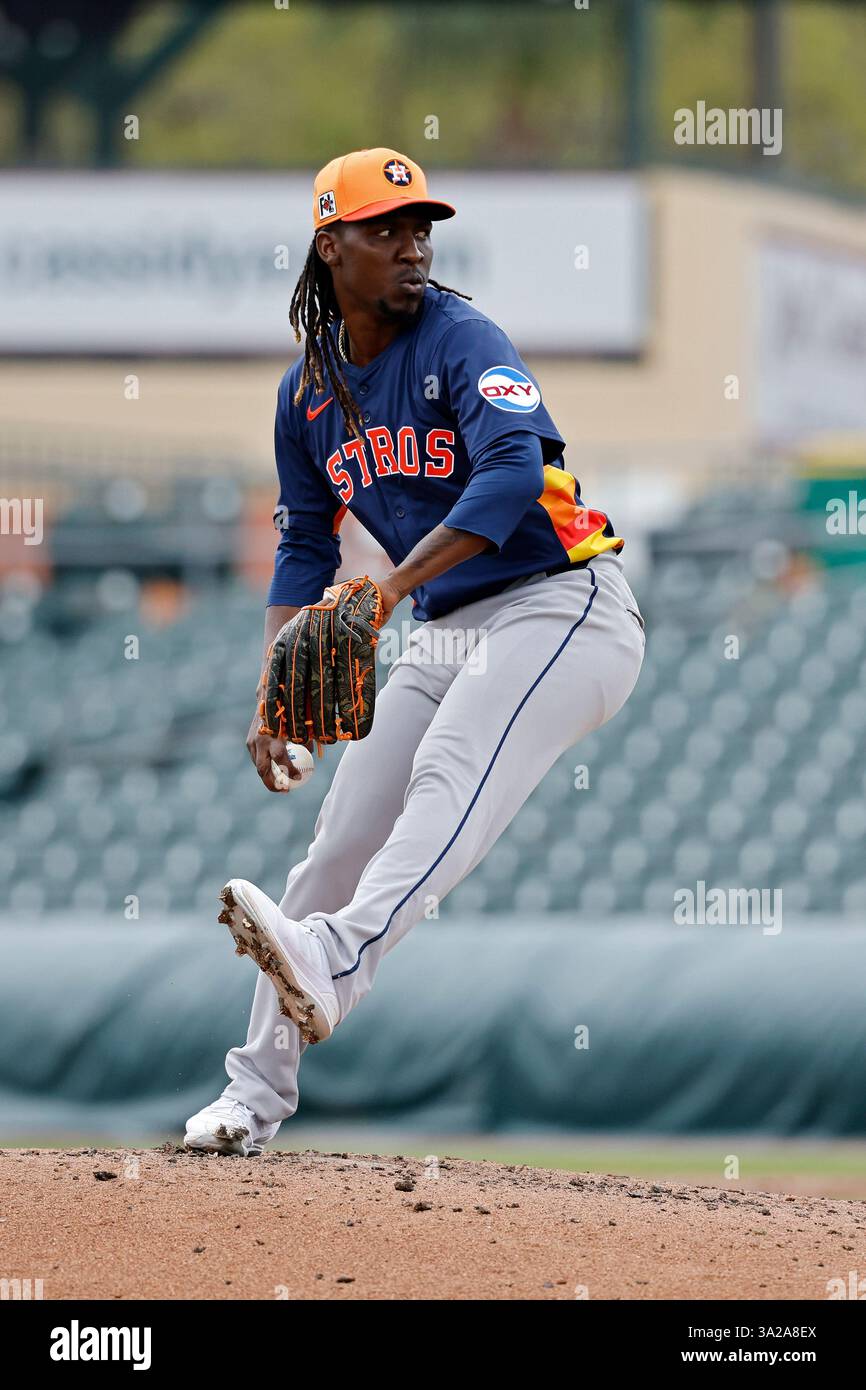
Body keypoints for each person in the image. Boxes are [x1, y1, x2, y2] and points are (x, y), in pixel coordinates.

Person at [184, 147, 646, 1156]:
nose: (411, 245)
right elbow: (305, 538)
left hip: (559, 603)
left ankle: (336, 961)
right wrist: (274, 690)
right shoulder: (306, 394)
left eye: (420, 226)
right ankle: (250, 1101)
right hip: (444, 625)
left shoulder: (460, 337)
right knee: (335, 843)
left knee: (448, 773)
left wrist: (387, 588)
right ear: (329, 244)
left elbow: (512, 475)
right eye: (384, 227)